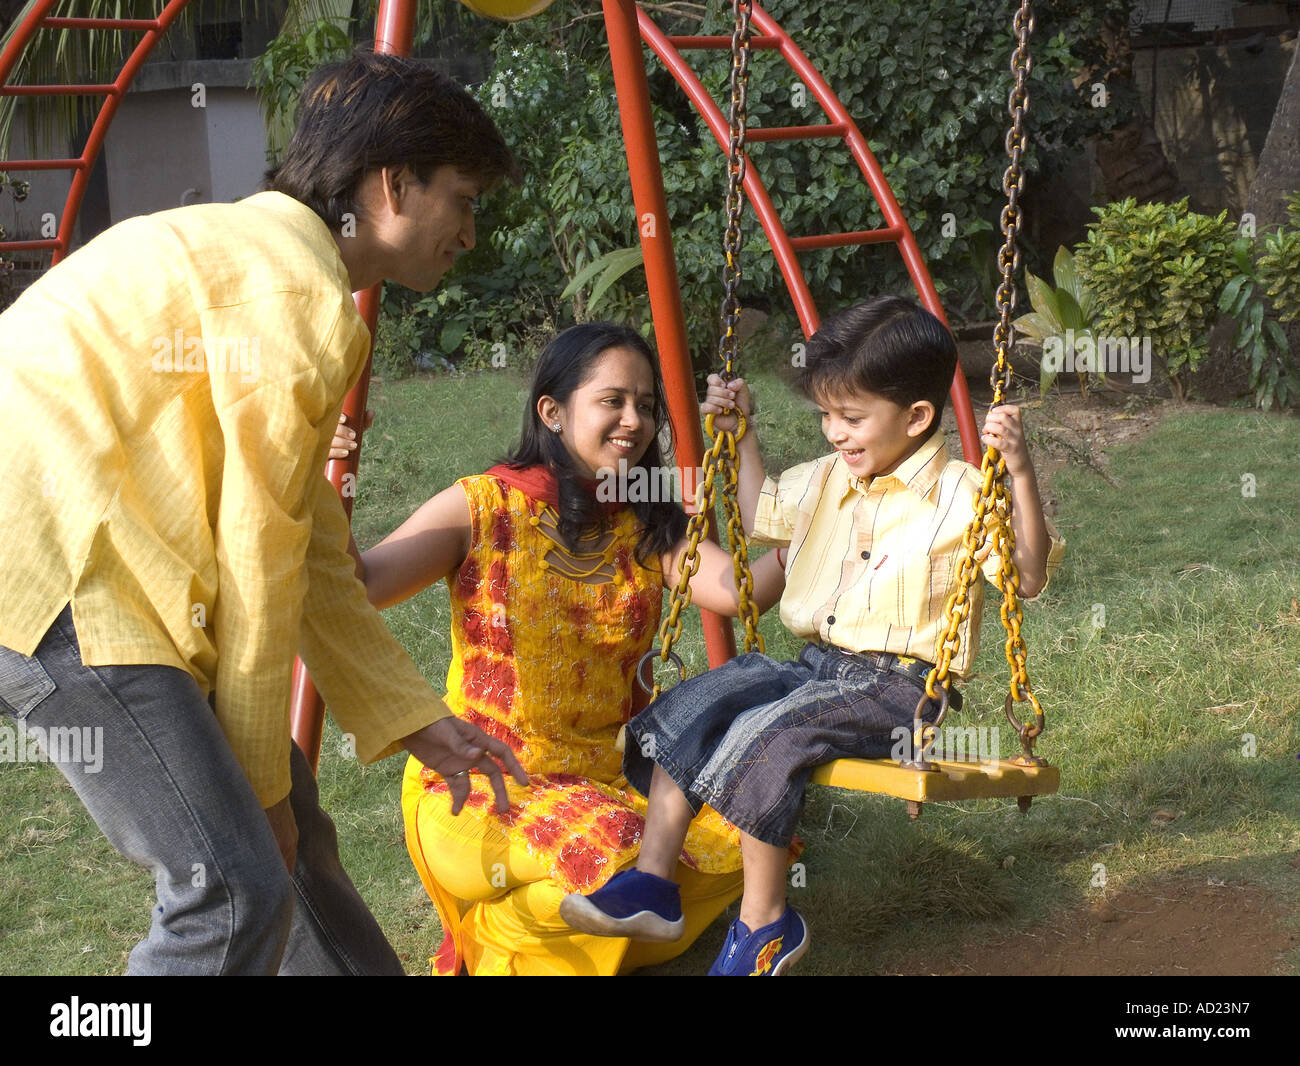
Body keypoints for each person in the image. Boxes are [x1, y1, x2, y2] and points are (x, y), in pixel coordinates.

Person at [0, 51, 528, 976]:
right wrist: (260, 793)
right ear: (393, 184)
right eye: (467, 199)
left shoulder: (253, 255)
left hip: (83, 562)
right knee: (233, 885)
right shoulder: (296, 298)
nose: (473, 233)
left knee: (291, 835)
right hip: (60, 580)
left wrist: (409, 719)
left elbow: (309, 541)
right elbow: (257, 568)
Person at [561, 295, 1066, 975]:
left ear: (917, 417)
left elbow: (1028, 577)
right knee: (693, 706)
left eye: (851, 418)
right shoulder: (829, 479)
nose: (834, 432)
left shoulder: (963, 493)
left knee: (768, 733)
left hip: (899, 692)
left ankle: (765, 923)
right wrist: (740, 434)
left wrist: (1023, 474)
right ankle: (654, 882)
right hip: (812, 666)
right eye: (827, 415)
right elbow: (763, 507)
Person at [337, 321, 786, 975]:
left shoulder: (644, 519)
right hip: (479, 785)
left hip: (607, 782)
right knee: (613, 856)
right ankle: (513, 935)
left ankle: (523, 930)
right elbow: (362, 585)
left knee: (746, 837)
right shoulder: (481, 506)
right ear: (552, 411)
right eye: (613, 400)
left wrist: (744, 444)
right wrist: (332, 482)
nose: (634, 421)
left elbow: (748, 591)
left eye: (646, 404)